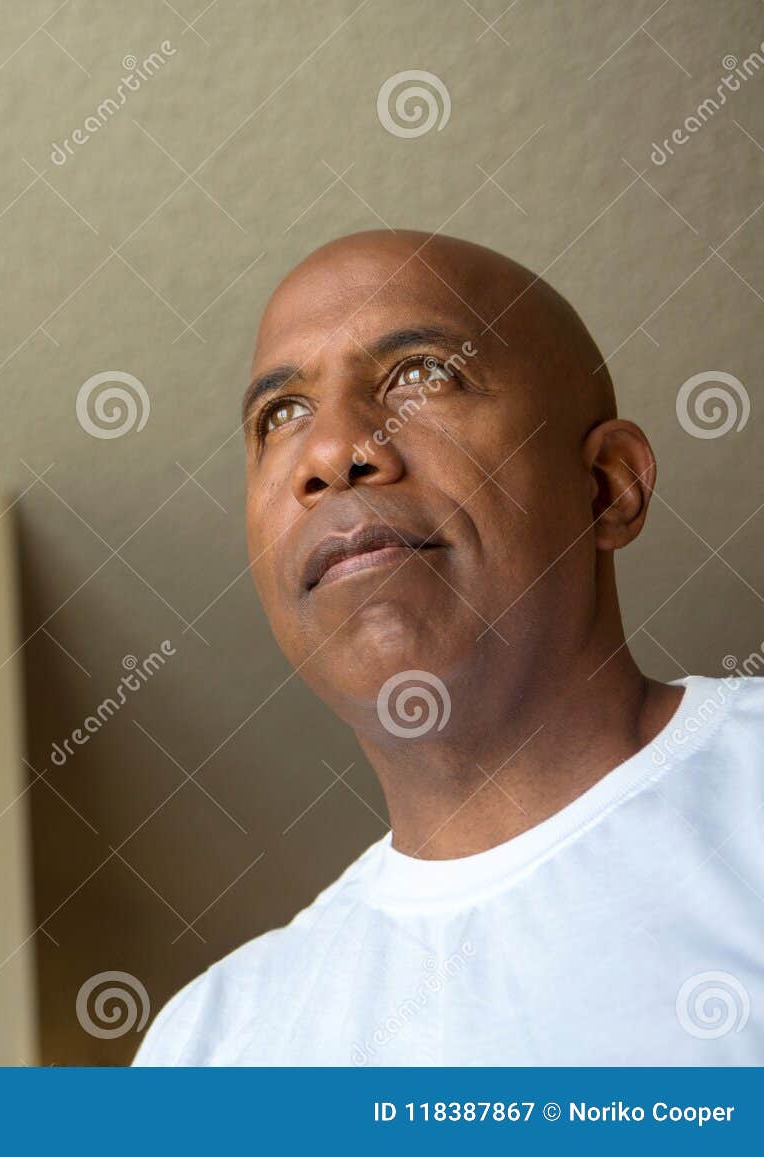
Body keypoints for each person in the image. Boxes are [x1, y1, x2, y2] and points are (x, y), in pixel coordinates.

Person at [134, 230, 763, 1065]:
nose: (329, 453)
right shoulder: (206, 1052)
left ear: (608, 486)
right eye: (279, 415)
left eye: (421, 373)